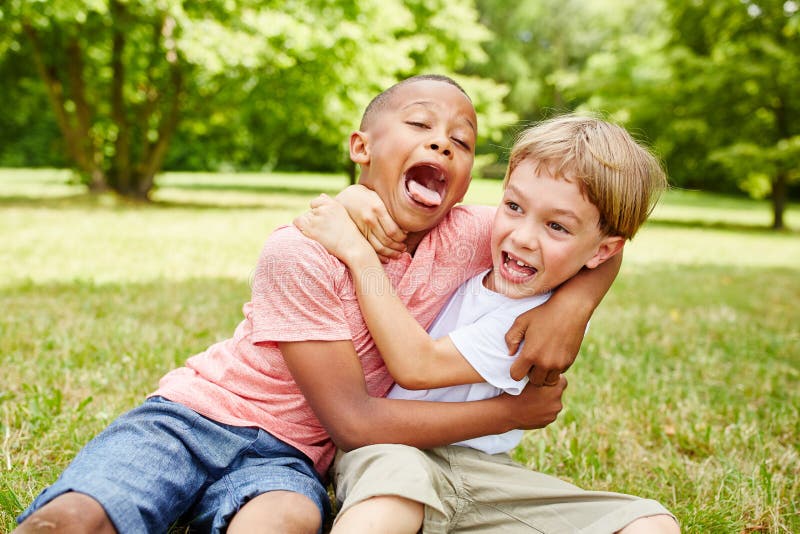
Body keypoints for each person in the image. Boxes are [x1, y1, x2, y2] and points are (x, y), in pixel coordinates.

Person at [14, 75, 617, 534]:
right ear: (361, 147)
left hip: (292, 458)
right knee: (79, 517)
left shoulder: (471, 234)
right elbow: (353, 422)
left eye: (462, 141)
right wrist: (508, 413)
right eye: (420, 124)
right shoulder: (302, 251)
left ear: (463, 182)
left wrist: (573, 307)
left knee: (286, 523)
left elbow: (598, 235)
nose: (442, 141)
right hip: (192, 419)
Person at [295, 114, 679, 533]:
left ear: (601, 251)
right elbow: (394, 203)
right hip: (390, 450)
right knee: (392, 501)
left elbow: (417, 366)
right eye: (514, 207)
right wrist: (354, 196)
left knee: (652, 522)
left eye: (556, 226)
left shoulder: (542, 325)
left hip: (483, 471)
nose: (522, 237)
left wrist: (359, 255)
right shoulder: (473, 242)